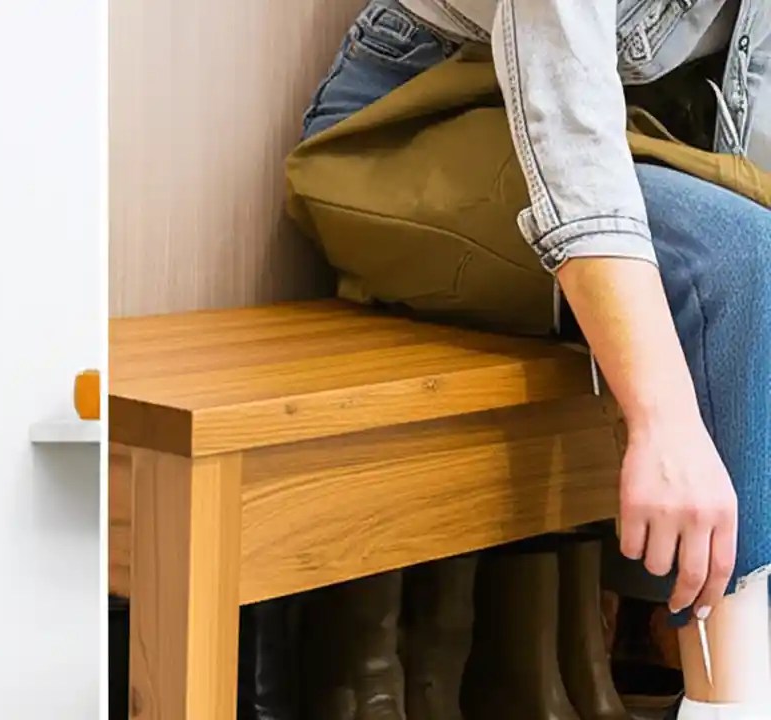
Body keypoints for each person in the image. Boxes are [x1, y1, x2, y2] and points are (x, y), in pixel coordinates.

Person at [289, 1, 771, 717]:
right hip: (417, 123)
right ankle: (735, 702)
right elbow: (571, 133)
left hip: (631, 128)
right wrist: (666, 420)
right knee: (735, 259)